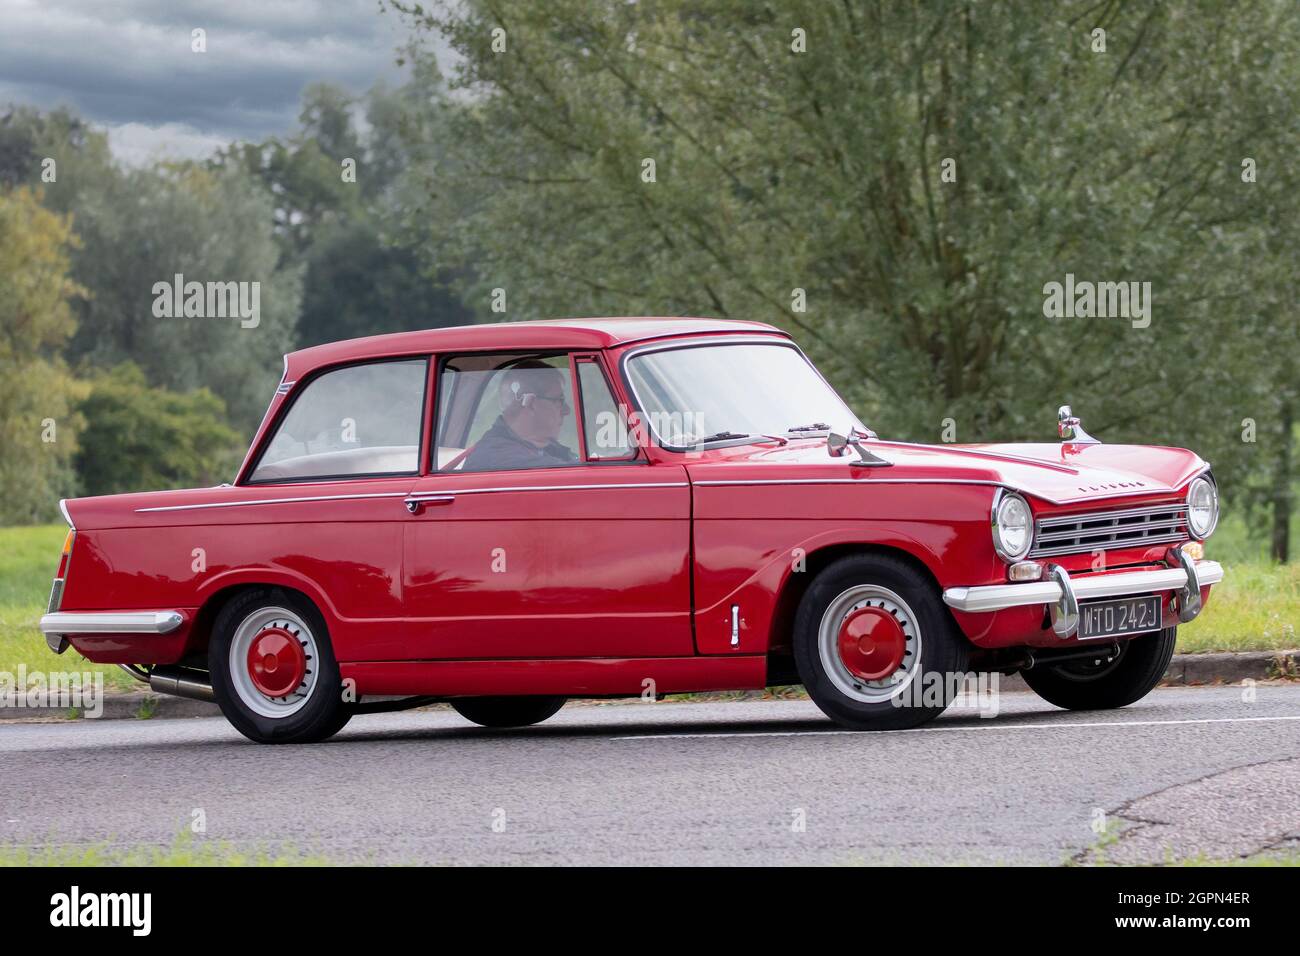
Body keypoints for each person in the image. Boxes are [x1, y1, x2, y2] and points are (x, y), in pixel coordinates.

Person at [460, 363, 577, 471]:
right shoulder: (498, 458)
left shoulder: (546, 448)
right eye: (559, 400)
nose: (567, 410)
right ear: (531, 403)